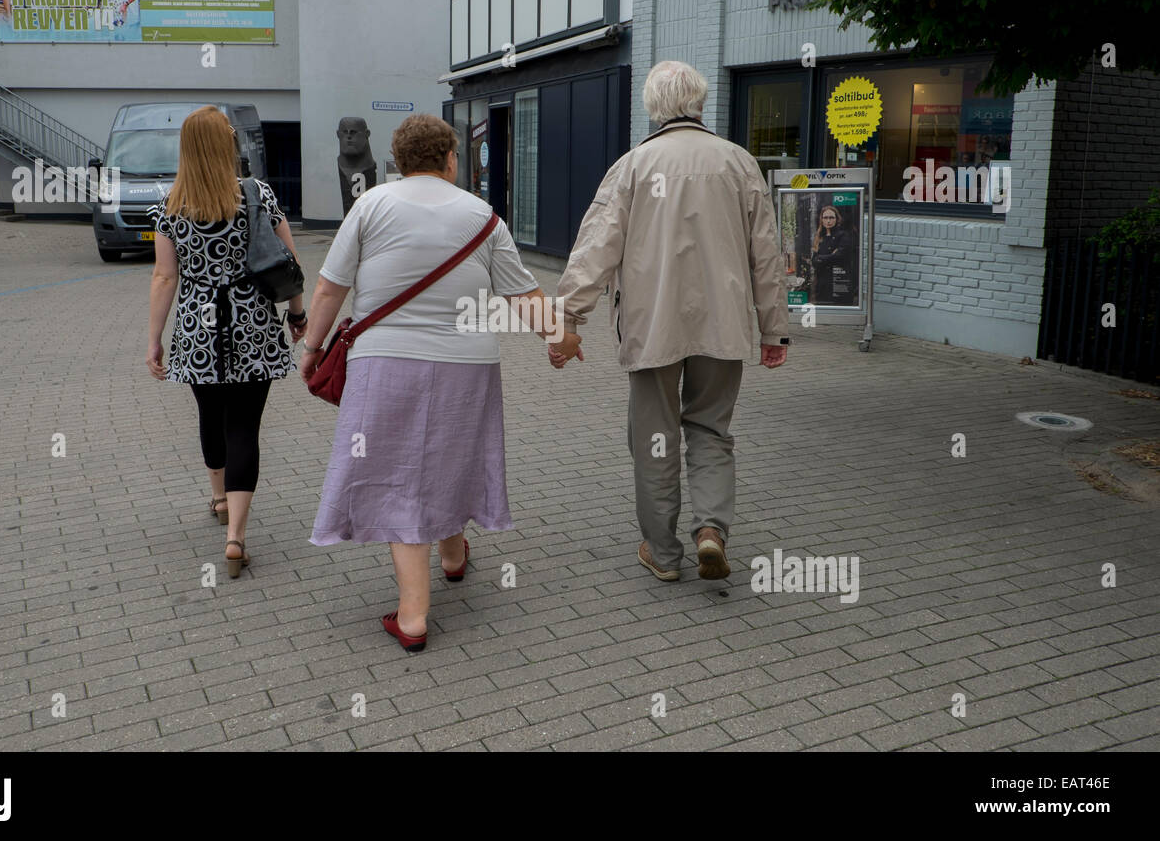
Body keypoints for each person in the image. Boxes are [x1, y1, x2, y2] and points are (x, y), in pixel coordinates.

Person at [299, 113, 561, 653]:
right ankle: (453, 556)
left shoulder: (370, 206)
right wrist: (560, 340)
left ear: (398, 161)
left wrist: (312, 350)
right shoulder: (484, 217)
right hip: (469, 363)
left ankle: (414, 616)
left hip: (384, 363)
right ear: (450, 160)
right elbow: (524, 299)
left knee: (397, 473)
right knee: (449, 455)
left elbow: (329, 289)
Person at [553, 60, 790, 582]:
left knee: (654, 438)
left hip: (653, 325)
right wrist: (774, 328)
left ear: (652, 106)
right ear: (700, 101)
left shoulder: (633, 166)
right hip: (724, 327)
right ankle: (710, 530)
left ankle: (662, 554)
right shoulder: (739, 163)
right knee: (710, 429)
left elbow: (596, 248)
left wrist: (568, 319)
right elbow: (767, 255)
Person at [147, 106, 307, 579]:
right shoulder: (258, 194)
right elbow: (288, 260)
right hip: (252, 324)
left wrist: (154, 340)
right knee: (244, 427)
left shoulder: (169, 205)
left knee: (210, 417)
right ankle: (235, 536)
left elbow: (163, 277)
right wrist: (298, 315)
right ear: (228, 145)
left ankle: (218, 497)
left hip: (197, 328)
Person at [810, 205, 852, 304]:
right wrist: (830, 256)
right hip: (821, 283)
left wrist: (821, 258)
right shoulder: (819, 237)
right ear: (821, 220)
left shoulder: (843, 235)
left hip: (838, 282)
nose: (828, 221)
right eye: (825, 218)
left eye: (831, 217)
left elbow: (840, 257)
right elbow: (814, 261)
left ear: (837, 219)